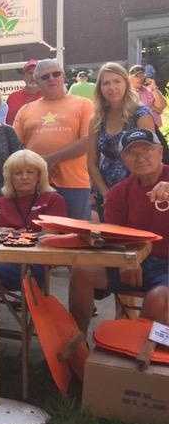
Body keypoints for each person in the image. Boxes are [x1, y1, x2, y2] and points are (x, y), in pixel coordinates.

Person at [70, 129, 168, 329]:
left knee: (158, 298)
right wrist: (127, 259)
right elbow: (115, 236)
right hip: (136, 260)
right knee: (82, 272)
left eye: (147, 150)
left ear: (159, 151)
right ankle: (77, 342)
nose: (140, 157)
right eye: (132, 153)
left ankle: (143, 354)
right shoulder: (118, 193)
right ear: (123, 158)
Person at [13, 59, 95, 220]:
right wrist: (36, 167)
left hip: (74, 183)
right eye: (45, 77)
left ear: (63, 76)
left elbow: (87, 142)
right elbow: (15, 145)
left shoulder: (85, 104)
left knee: (76, 236)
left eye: (56, 74)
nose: (51, 78)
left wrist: (50, 160)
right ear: (37, 82)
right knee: (36, 236)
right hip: (35, 184)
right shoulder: (25, 110)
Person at [0, 150, 67, 289]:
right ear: (10, 178)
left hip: (35, 262)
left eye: (30, 172)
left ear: (39, 176)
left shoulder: (53, 200)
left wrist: (12, 235)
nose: (24, 177)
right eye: (18, 173)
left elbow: (49, 237)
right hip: (2, 259)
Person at [88, 62, 159, 197]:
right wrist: (106, 194)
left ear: (126, 83)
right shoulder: (96, 119)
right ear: (100, 88)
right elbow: (92, 162)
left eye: (117, 81)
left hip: (139, 190)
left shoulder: (141, 114)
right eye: (106, 83)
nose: (112, 87)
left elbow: (150, 157)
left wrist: (127, 194)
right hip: (106, 192)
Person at [129, 64, 166, 129]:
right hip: (136, 129)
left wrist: (154, 88)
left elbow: (162, 106)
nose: (140, 78)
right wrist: (152, 108)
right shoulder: (127, 92)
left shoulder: (149, 90)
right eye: (137, 76)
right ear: (130, 78)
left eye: (142, 75)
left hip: (154, 128)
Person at [6, 60, 42, 126]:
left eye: (36, 73)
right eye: (30, 73)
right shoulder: (13, 97)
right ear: (24, 77)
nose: (33, 77)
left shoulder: (48, 96)